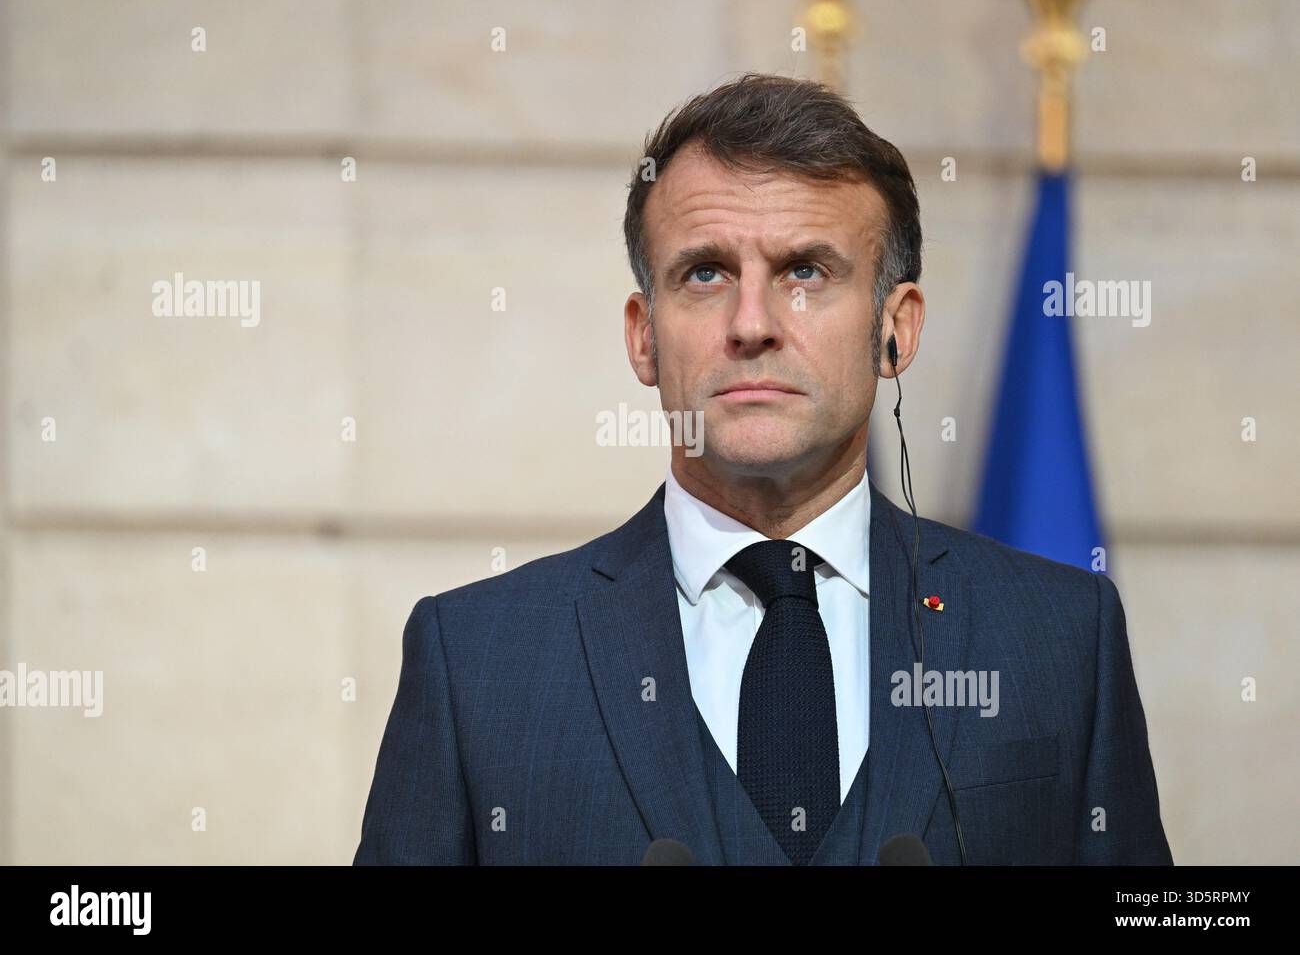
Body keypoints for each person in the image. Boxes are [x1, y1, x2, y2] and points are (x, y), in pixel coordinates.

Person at [353, 73, 1173, 865]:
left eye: (805, 272)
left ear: (897, 329)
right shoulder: (479, 661)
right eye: (705, 273)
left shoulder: (1064, 638)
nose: (752, 324)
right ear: (644, 336)